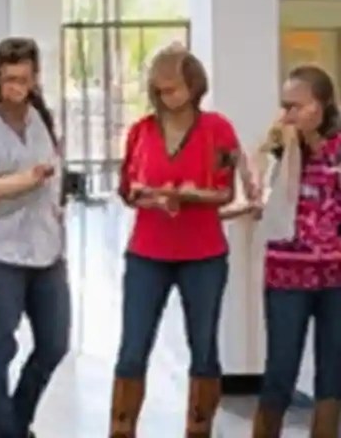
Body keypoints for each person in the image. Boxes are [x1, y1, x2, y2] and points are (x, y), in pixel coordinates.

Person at [109, 46, 254, 438]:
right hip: (147, 253)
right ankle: (121, 428)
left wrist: (190, 195)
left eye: (173, 88)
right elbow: (125, 188)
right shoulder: (140, 130)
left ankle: (199, 427)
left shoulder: (217, 129)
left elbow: (225, 193)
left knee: (203, 346)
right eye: (159, 90)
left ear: (194, 85)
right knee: (132, 347)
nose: (166, 97)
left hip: (203, 254)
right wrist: (144, 194)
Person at [0, 37, 68, 438]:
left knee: (54, 343)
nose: (15, 87)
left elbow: (52, 178)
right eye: (7, 79)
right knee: (0, 347)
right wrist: (22, 182)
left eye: (23, 78)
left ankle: (16, 422)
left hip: (45, 252)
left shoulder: (42, 120)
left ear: (36, 78)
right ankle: (3, 432)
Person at [251, 65, 341, 437]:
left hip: (336, 277)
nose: (288, 114)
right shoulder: (280, 148)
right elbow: (257, 193)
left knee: (333, 373)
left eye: (296, 106)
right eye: (284, 106)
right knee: (280, 371)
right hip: (287, 274)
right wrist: (272, 153)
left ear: (321, 106)